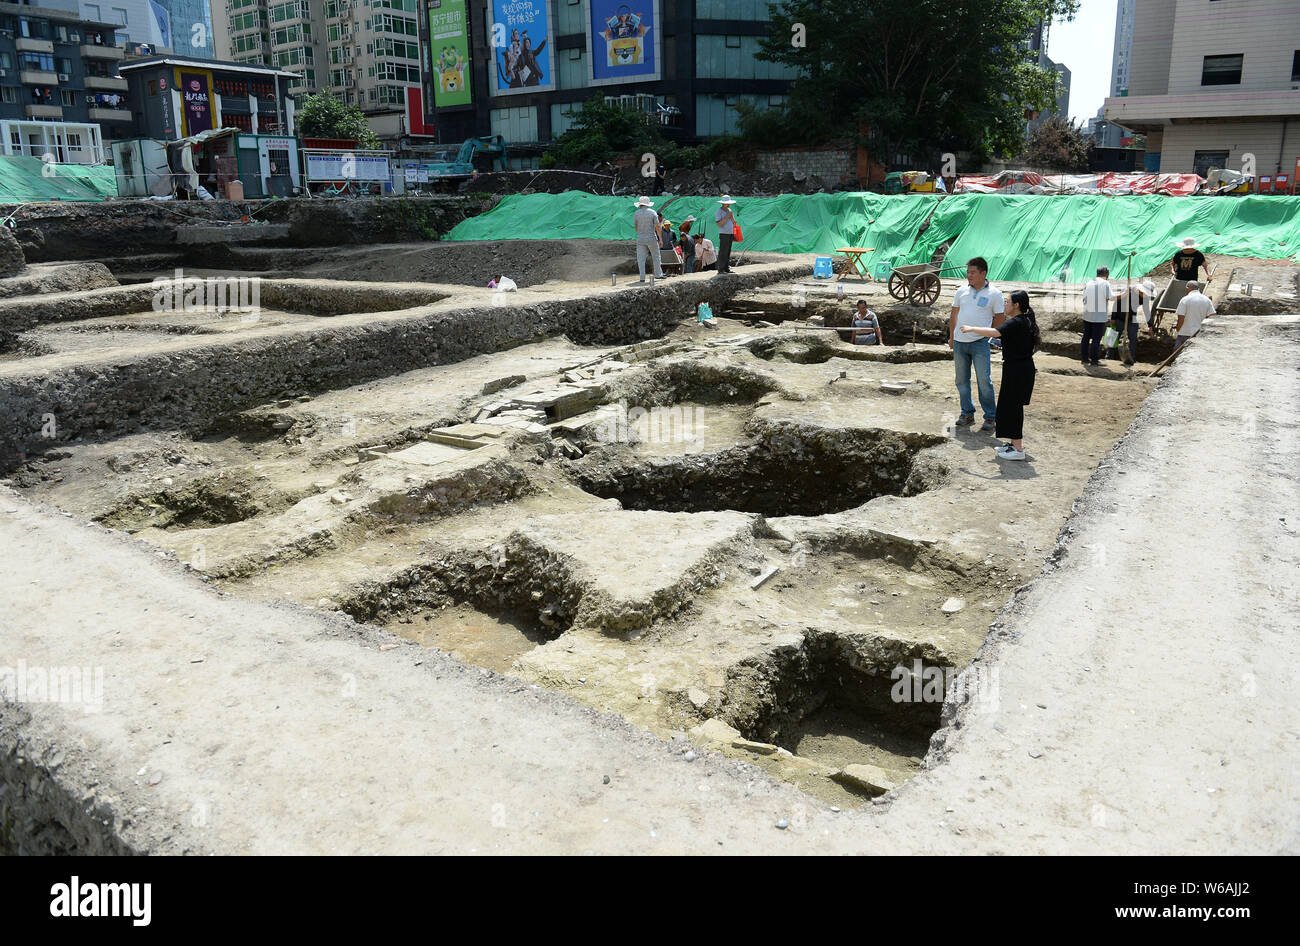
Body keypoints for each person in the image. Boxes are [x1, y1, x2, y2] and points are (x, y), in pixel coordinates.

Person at [959, 289, 1039, 461]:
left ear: (1016, 305)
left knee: (1014, 409)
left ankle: (1018, 450)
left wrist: (971, 328)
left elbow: (995, 332)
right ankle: (1012, 444)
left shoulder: (1017, 322)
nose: (1005, 304)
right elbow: (1017, 342)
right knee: (1008, 406)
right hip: (1017, 369)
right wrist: (1004, 345)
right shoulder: (1023, 321)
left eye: (1008, 301)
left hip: (1018, 371)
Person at [948, 257, 1003, 431]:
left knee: (984, 380)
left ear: (983, 273)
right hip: (959, 342)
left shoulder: (994, 294)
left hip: (980, 343)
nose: (969, 275)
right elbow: (954, 315)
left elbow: (999, 318)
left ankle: (990, 416)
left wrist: (991, 337)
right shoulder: (961, 291)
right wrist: (951, 336)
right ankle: (967, 412)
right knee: (961, 380)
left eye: (972, 272)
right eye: (968, 272)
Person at [1081, 266, 1118, 366]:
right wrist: (1124, 294)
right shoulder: (1105, 283)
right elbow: (1111, 297)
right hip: (1098, 317)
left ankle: (1084, 358)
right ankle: (1094, 360)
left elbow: (1084, 298)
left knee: (1086, 337)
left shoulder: (1089, 282)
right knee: (1096, 339)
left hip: (1087, 314)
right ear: (1106, 274)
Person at [1108, 279, 1151, 363]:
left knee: (1133, 338)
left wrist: (1150, 325)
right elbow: (1117, 303)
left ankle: (1132, 358)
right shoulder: (1128, 291)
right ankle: (1109, 357)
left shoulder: (1145, 297)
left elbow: (1146, 311)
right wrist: (1113, 318)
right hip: (1119, 317)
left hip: (1132, 318)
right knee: (1113, 337)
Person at [1173, 280, 1215, 350]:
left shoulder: (1185, 300)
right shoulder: (1207, 300)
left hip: (1185, 333)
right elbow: (1212, 316)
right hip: (1200, 333)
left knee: (1177, 354)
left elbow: (1181, 318)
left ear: (1187, 288)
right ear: (1198, 288)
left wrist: (1178, 330)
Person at [632, 196, 663, 283]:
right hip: (651, 237)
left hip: (640, 238)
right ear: (648, 204)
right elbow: (657, 226)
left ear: (640, 204)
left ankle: (642, 277)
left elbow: (636, 226)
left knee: (640, 258)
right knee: (656, 256)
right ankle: (658, 274)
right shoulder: (652, 212)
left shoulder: (636, 213)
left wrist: (640, 234)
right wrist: (661, 239)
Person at [715, 195, 737, 274]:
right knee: (723, 251)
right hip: (724, 233)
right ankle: (721, 269)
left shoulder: (729, 210)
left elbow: (733, 221)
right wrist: (727, 217)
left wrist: (732, 219)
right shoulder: (719, 211)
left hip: (730, 233)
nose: (728, 205)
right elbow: (719, 224)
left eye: (728, 203)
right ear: (722, 203)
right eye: (726, 203)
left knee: (728, 251)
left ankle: (726, 268)